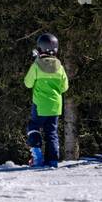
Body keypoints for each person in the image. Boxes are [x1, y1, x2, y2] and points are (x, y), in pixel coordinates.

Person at [24, 32, 69, 167]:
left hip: (40, 105)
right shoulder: (59, 67)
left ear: (40, 48)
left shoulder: (37, 65)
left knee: (34, 126)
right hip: (55, 106)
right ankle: (52, 160)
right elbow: (65, 87)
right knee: (51, 132)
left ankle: (36, 152)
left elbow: (28, 83)